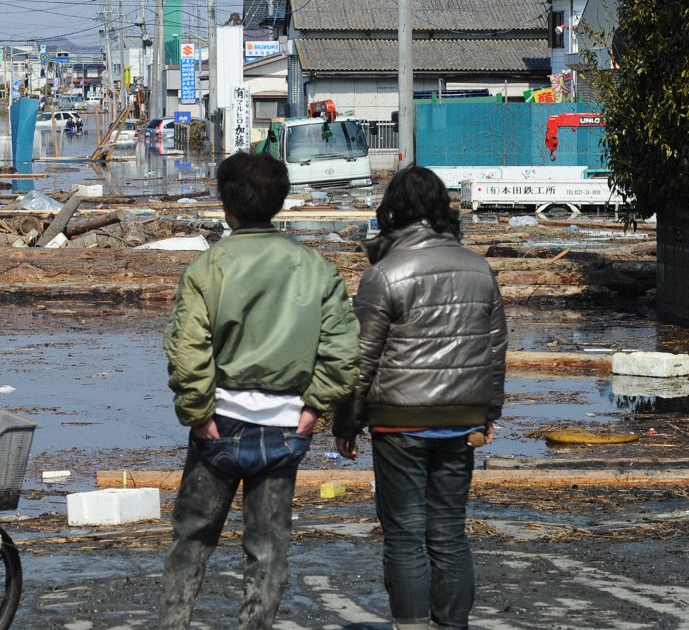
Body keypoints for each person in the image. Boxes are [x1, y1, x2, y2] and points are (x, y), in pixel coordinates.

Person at [158, 151, 360, 629]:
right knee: (268, 549)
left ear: (226, 205)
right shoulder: (314, 267)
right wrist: (313, 408)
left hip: (219, 424)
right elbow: (343, 349)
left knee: (191, 540)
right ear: (280, 201)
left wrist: (199, 414)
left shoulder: (210, 267)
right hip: (286, 427)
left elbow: (188, 350)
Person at [332, 165, 507, 630]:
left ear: (394, 211)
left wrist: (346, 424)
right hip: (462, 420)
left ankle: (410, 626)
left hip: (398, 421)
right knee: (449, 533)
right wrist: (489, 412)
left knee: (406, 535)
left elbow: (358, 360)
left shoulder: (384, 274)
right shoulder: (479, 269)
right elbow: (495, 349)